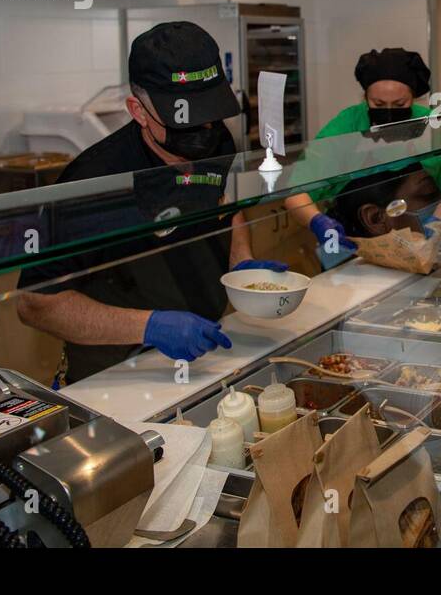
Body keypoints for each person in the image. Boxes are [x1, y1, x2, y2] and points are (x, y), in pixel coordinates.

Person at [16, 22, 287, 384]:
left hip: (205, 352)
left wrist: (241, 263)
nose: (204, 131)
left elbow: (227, 205)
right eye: (185, 122)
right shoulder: (92, 182)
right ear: (138, 111)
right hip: (118, 373)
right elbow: (35, 304)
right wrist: (150, 326)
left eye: (210, 114)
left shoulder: (216, 140)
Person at [285, 48, 441, 256]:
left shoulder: (433, 127)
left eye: (400, 104)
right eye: (378, 104)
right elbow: (297, 194)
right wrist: (317, 221)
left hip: (418, 244)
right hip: (353, 246)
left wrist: (433, 227)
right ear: (365, 97)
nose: (388, 111)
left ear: (414, 98)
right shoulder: (344, 128)